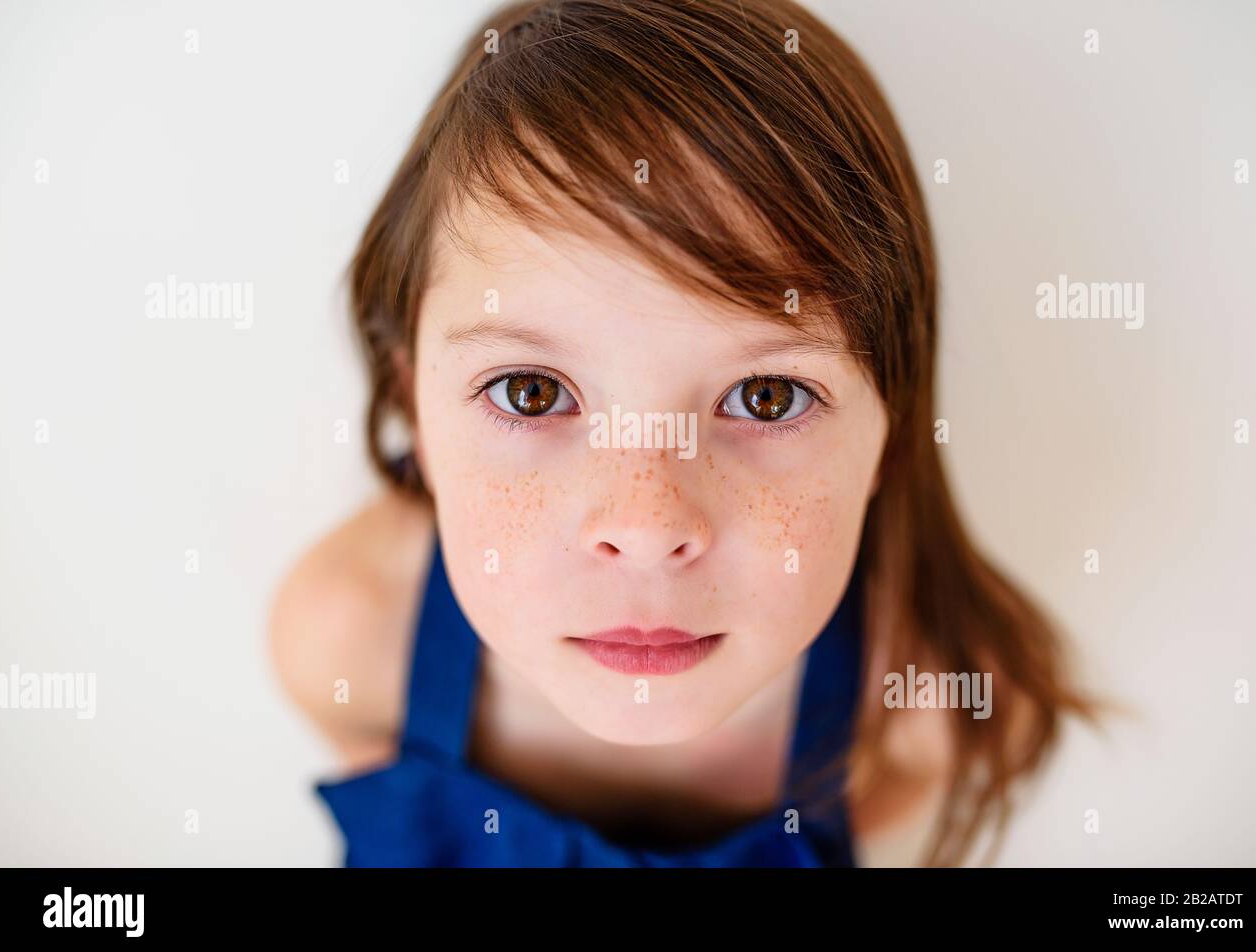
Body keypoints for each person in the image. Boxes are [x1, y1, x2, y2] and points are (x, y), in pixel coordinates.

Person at [269, 0, 1100, 867]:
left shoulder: (931, 717)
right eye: (530, 390)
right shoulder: (348, 641)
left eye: (768, 397)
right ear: (418, 410)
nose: (648, 525)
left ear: (893, 424)